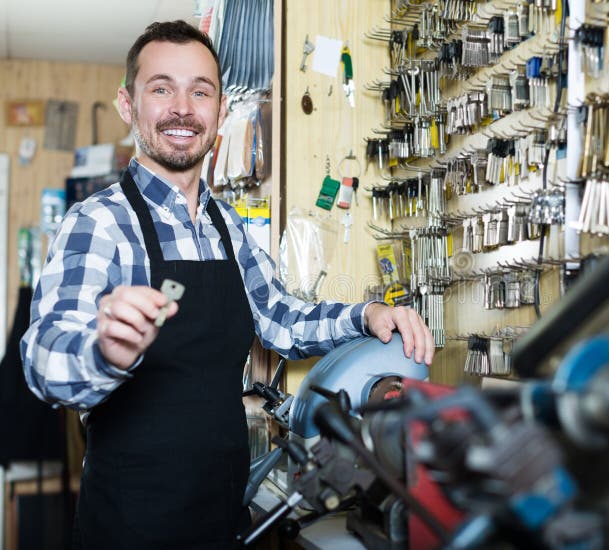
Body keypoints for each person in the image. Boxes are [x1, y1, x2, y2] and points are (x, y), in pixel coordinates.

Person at [21, 20, 434, 549]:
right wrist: (102, 350)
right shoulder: (97, 223)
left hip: (221, 515)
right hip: (129, 525)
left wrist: (368, 315)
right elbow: (42, 360)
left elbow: (280, 320)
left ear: (218, 111)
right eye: (161, 88)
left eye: (200, 91)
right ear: (128, 105)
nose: (182, 108)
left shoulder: (227, 224)